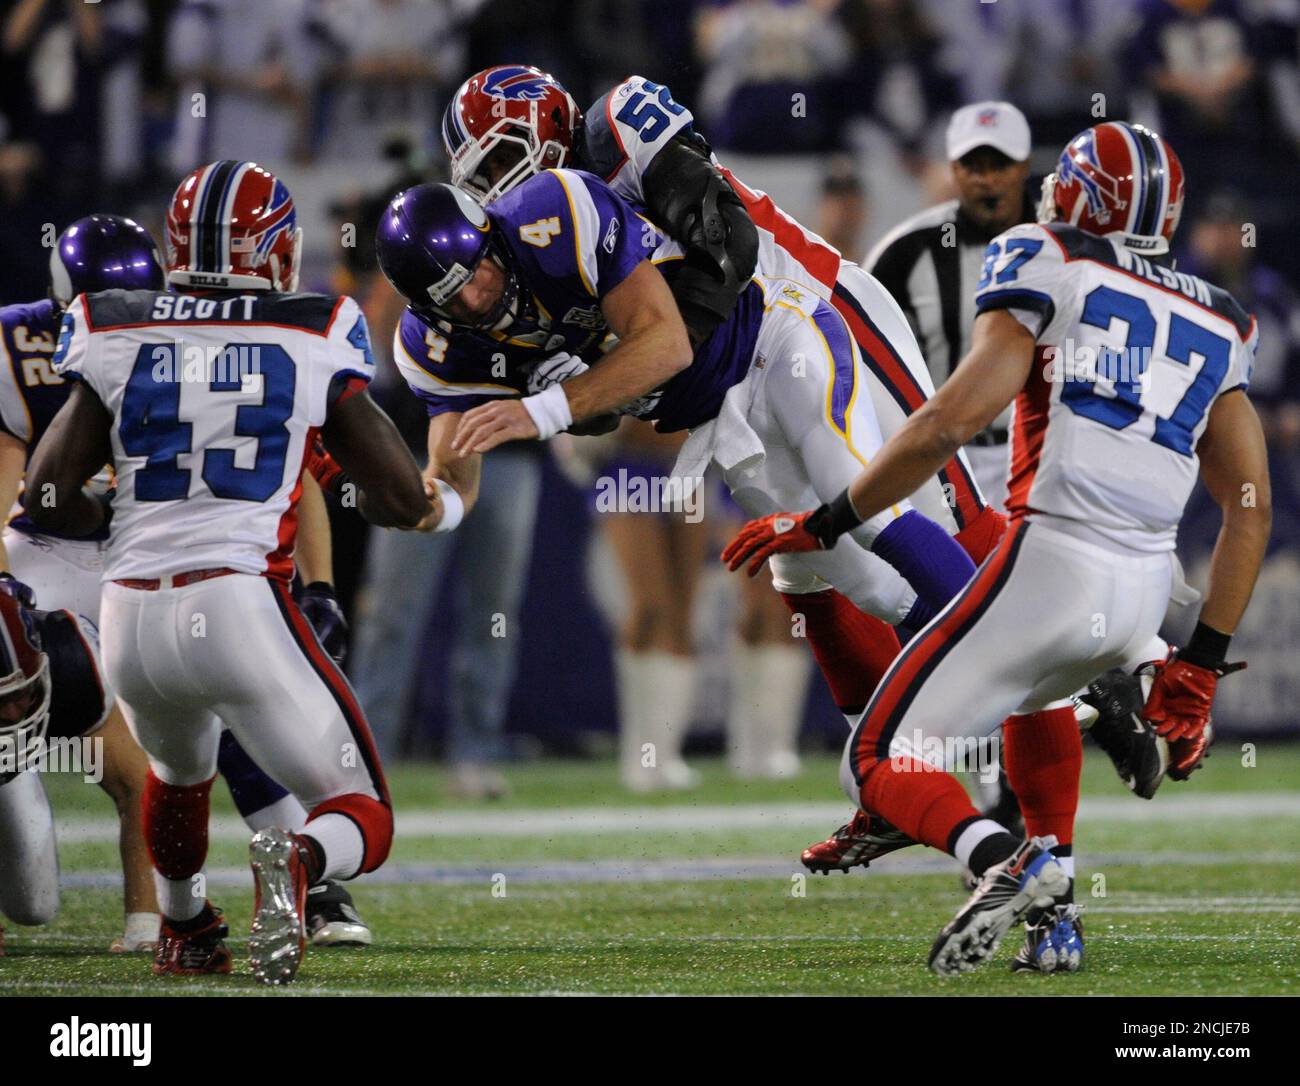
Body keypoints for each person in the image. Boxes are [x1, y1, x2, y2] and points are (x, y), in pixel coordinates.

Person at [723, 121, 1268, 975]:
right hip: (1143, 588)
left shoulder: (1048, 255)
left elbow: (950, 419)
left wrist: (826, 519)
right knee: (1031, 701)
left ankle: (1009, 863)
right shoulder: (1223, 316)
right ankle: (1058, 926)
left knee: (875, 761)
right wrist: (1201, 664)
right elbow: (1250, 508)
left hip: (1052, 564)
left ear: (1084, 196)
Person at [441, 65, 1004, 849]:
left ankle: (1058, 678)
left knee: (938, 510)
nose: (500, 191)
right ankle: (911, 768)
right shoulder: (538, 246)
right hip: (733, 390)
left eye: (503, 162)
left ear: (544, 128)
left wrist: (652, 364)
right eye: (483, 180)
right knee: (830, 575)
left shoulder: (617, 130)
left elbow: (726, 247)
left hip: (812, 309)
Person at [26, 160, 431, 984]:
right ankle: (302, 864)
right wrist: (430, 497)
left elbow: (46, 491)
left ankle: (185, 929)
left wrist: (114, 519)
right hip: (241, 600)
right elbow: (392, 493)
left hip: (131, 615)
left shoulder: (115, 324)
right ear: (276, 250)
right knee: (366, 814)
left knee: (178, 776)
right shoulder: (315, 324)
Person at [0, 589, 124, 955]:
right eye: (0, 700)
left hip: (10, 763)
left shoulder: (71, 659)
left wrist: (145, 924)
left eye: (20, 694)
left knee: (34, 905)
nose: (12, 714)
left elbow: (136, 787)